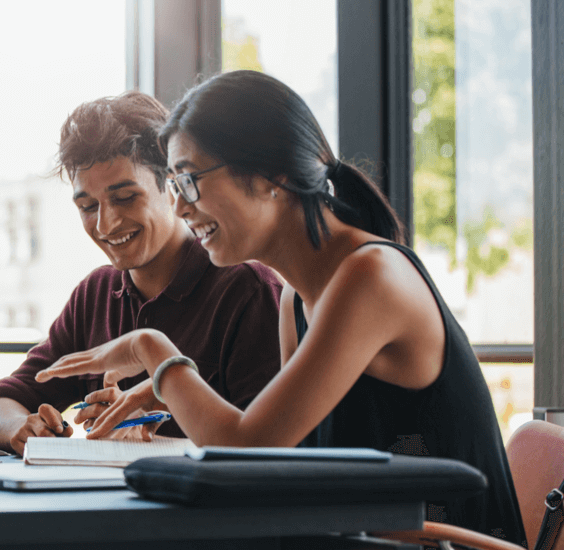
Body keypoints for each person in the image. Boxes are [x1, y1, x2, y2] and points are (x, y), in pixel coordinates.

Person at [36, 71, 525, 542]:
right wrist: (166, 396)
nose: (181, 207)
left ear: (272, 175)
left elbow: (246, 447)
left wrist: (153, 352)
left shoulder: (370, 277)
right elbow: (282, 461)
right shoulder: (297, 296)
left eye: (189, 181)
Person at [0, 91, 284, 455]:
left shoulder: (247, 289)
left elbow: (265, 447)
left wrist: (157, 423)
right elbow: (0, 405)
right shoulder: (95, 294)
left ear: (172, 187)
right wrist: (21, 428)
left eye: (124, 198)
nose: (105, 223)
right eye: (88, 206)